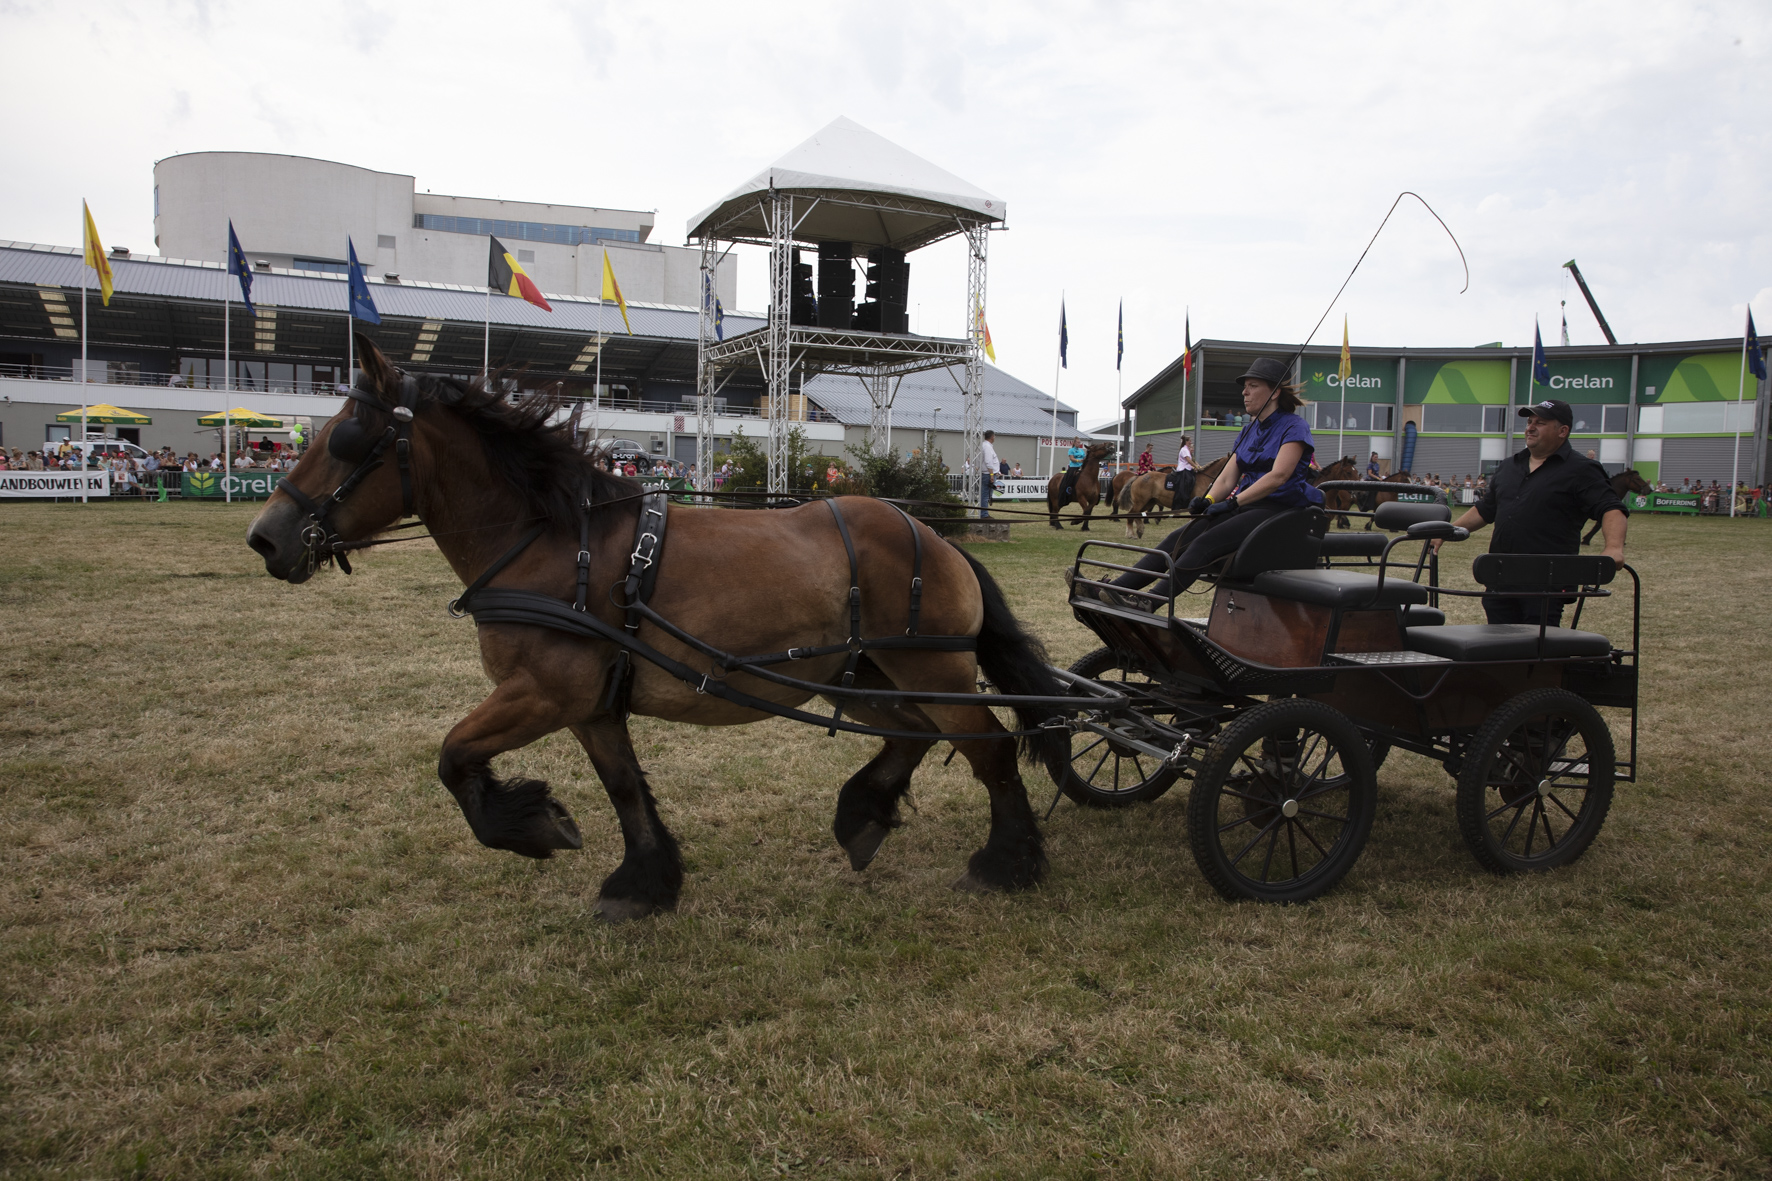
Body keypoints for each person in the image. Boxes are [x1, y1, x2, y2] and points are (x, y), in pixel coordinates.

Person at [1097, 357, 1323, 605]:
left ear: (1275, 392)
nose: (1245, 392)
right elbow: (1227, 475)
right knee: (1178, 538)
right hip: (1247, 507)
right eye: (1244, 386)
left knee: (1204, 543)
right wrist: (1207, 500)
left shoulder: (1295, 426)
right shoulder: (1249, 430)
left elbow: (1278, 476)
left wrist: (1233, 503)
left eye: (1253, 385)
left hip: (1279, 510)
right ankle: (1115, 590)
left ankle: (1150, 602)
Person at [1441, 398, 1627, 626]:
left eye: (1540, 422)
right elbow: (1486, 510)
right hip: (1499, 576)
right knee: (1496, 648)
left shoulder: (1582, 470)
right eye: (1529, 421)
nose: (1530, 427)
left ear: (1563, 431)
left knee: (1537, 651)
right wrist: (1447, 531)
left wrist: (1613, 548)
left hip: (1546, 582)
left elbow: (1611, 508)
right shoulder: (1509, 466)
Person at [978, 430, 1001, 517]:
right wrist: (991, 474)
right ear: (992, 437)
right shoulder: (987, 447)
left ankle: (984, 513)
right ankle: (984, 514)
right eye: (994, 436)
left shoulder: (985, 446)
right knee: (985, 495)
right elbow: (988, 461)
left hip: (988, 473)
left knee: (986, 495)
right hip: (988, 474)